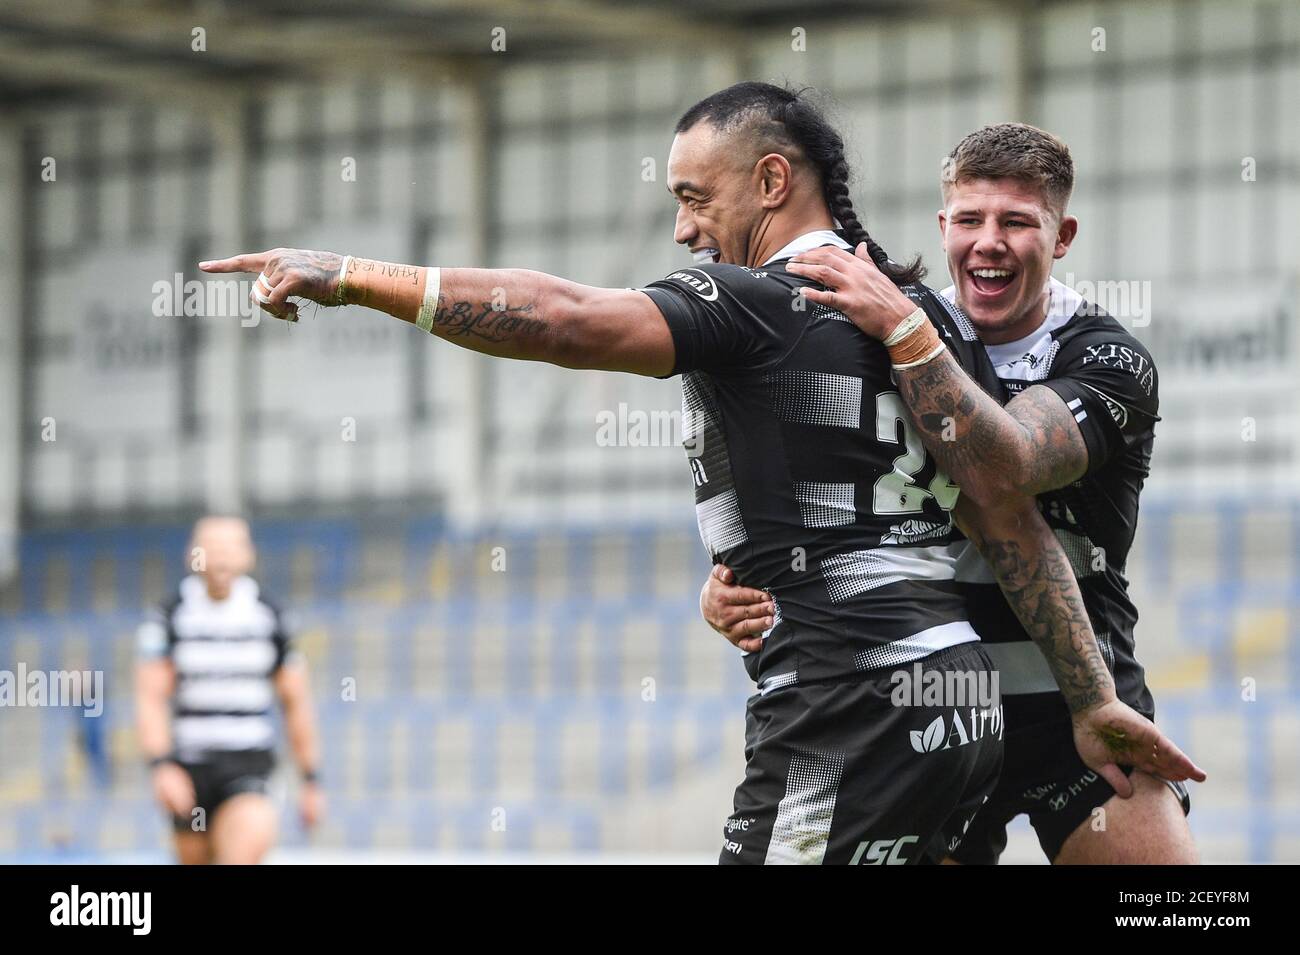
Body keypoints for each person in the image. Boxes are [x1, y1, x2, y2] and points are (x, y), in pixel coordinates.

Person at [198, 83, 1199, 864]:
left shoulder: (932, 330)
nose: (681, 228)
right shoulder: (921, 325)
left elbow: (564, 317)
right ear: (939, 226)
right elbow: (974, 507)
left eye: (691, 198)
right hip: (959, 695)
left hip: (891, 705)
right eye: (966, 220)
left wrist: (355, 275)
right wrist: (757, 567)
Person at [701, 123, 1197, 864]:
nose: (988, 242)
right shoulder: (879, 332)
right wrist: (732, 586)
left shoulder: (1107, 358)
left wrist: (905, 329)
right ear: (944, 226)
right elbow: (806, 498)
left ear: (1061, 236)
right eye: (969, 220)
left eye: (1016, 222)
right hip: (936, 720)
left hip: (1080, 710)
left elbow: (1006, 467)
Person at [135, 515, 324, 864]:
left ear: (248, 555)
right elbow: (151, 698)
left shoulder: (271, 617)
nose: (220, 557)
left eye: (230, 547)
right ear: (193, 554)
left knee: (240, 854)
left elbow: (295, 703)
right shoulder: (168, 616)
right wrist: (161, 766)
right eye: (211, 548)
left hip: (249, 766)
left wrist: (311, 780)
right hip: (190, 773)